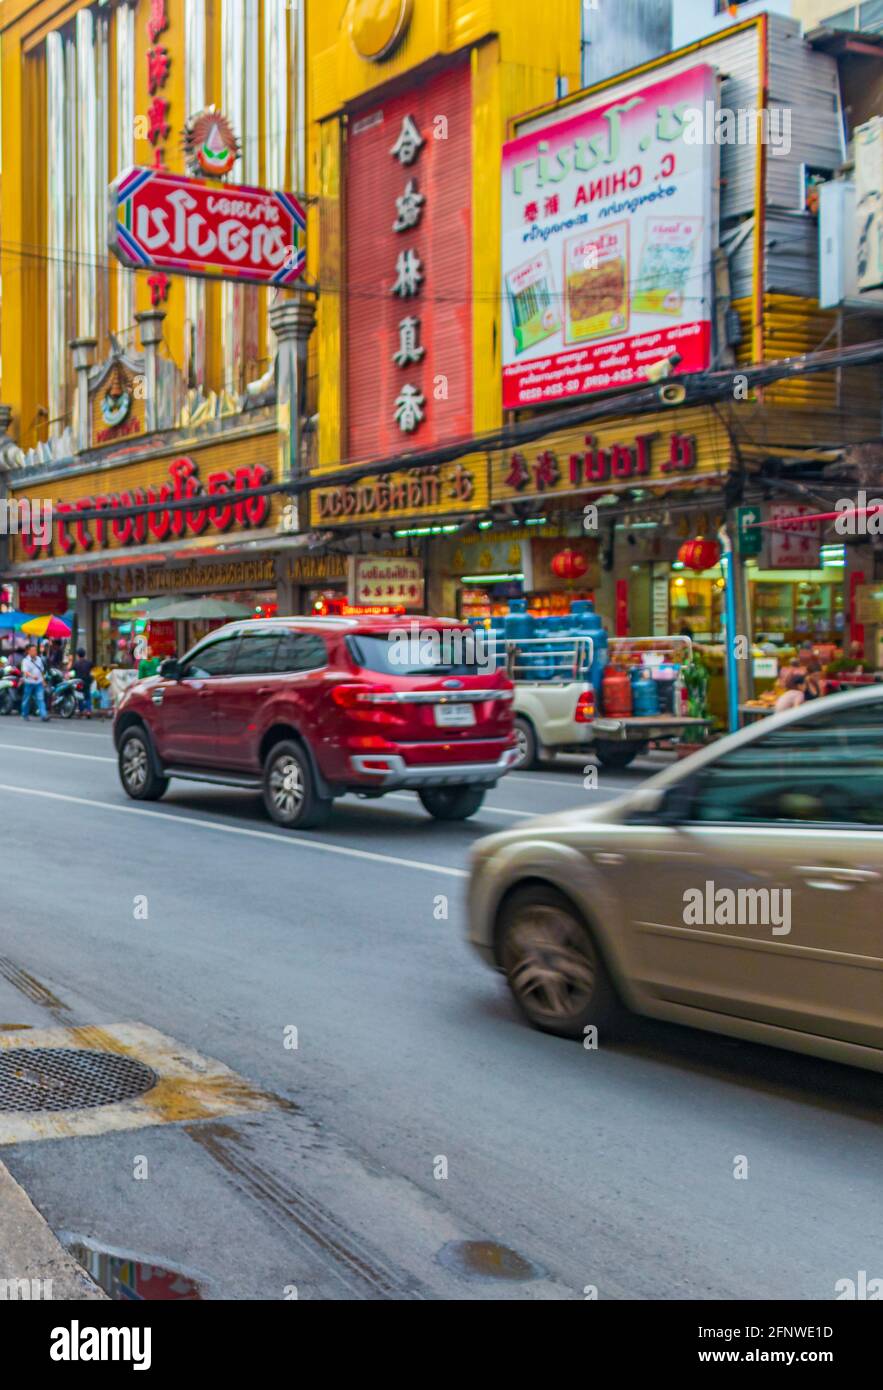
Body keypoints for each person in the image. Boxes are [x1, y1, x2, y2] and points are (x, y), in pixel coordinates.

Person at [20, 643, 49, 722]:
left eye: (35, 650)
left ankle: (44, 715)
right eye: (32, 650)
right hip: (29, 683)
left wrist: (43, 681)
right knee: (27, 699)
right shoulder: (25, 661)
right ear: (28, 651)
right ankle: (25, 714)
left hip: (38, 683)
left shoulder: (39, 659)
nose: (35, 652)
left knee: (40, 699)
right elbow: (25, 672)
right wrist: (32, 676)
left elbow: (41, 671)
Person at [73, 647, 93, 718]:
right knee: (87, 697)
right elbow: (91, 669)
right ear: (84, 654)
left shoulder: (76, 664)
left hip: (79, 683)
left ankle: (81, 711)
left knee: (79, 696)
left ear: (78, 655)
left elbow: (73, 671)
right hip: (86, 682)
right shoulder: (89, 663)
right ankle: (88, 711)